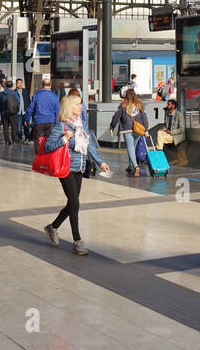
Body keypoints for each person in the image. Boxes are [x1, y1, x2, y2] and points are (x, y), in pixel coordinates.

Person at [41, 92, 109, 255]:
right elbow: (47, 147)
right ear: (70, 107)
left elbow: (90, 145)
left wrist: (101, 162)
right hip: (65, 168)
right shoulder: (61, 126)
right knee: (75, 203)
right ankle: (77, 241)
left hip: (79, 168)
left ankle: (53, 227)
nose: (81, 107)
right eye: (78, 104)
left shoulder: (81, 125)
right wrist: (64, 139)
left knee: (73, 203)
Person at [112, 88, 149, 177]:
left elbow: (116, 116)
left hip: (127, 129)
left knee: (130, 148)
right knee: (133, 147)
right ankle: (131, 166)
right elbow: (145, 118)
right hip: (138, 130)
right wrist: (146, 129)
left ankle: (136, 166)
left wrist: (112, 126)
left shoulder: (123, 105)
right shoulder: (140, 105)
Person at [24, 78, 59, 146]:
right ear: (50, 86)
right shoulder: (55, 97)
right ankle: (47, 155)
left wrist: (26, 118)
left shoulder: (36, 95)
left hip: (39, 121)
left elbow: (31, 108)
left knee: (38, 142)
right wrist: (56, 122)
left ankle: (39, 155)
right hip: (51, 121)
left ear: (42, 85)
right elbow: (57, 111)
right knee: (49, 141)